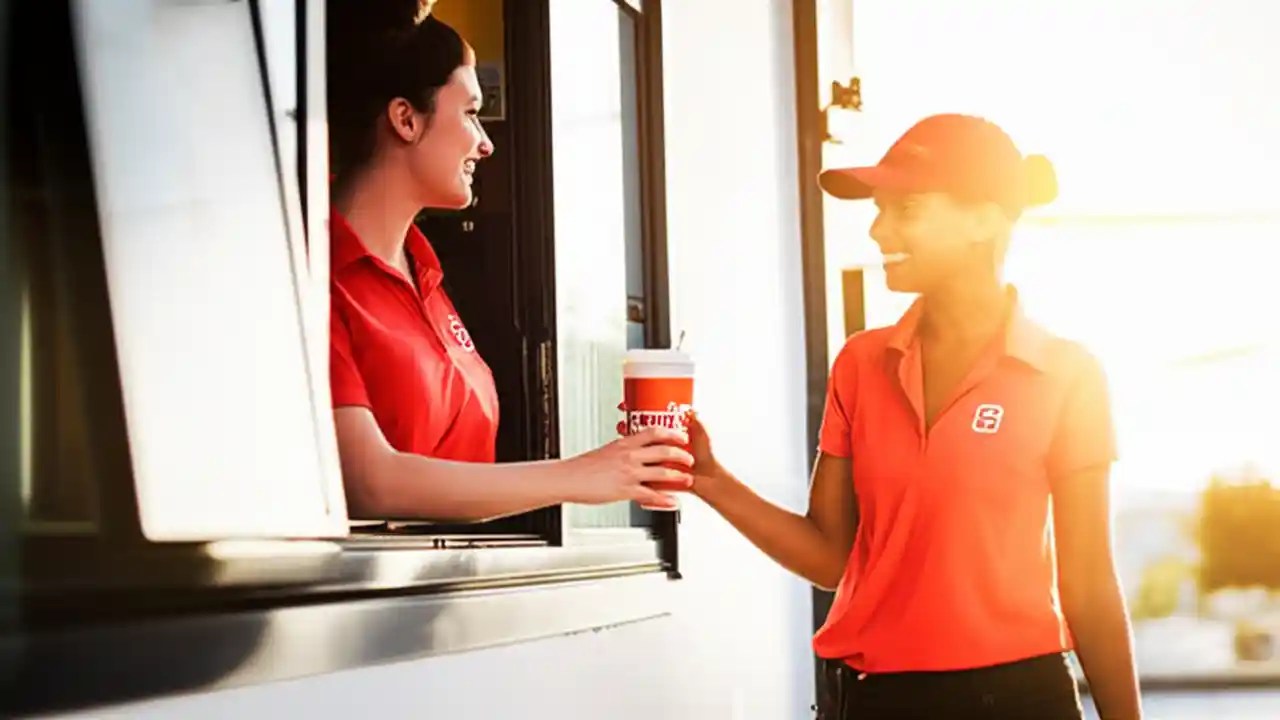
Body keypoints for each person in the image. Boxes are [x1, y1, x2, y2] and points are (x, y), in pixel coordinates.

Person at [678, 115, 1142, 718]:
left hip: (1021, 699)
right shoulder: (860, 363)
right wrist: (712, 481)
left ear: (987, 217)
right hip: (877, 702)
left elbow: (1089, 588)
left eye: (907, 208)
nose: (877, 229)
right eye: (877, 208)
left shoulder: (1067, 375)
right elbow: (828, 557)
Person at [325, 0, 691, 521]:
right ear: (405, 118)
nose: (487, 144)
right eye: (471, 113)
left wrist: (613, 466)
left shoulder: (426, 276)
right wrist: (584, 474)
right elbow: (367, 484)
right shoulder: (315, 277)